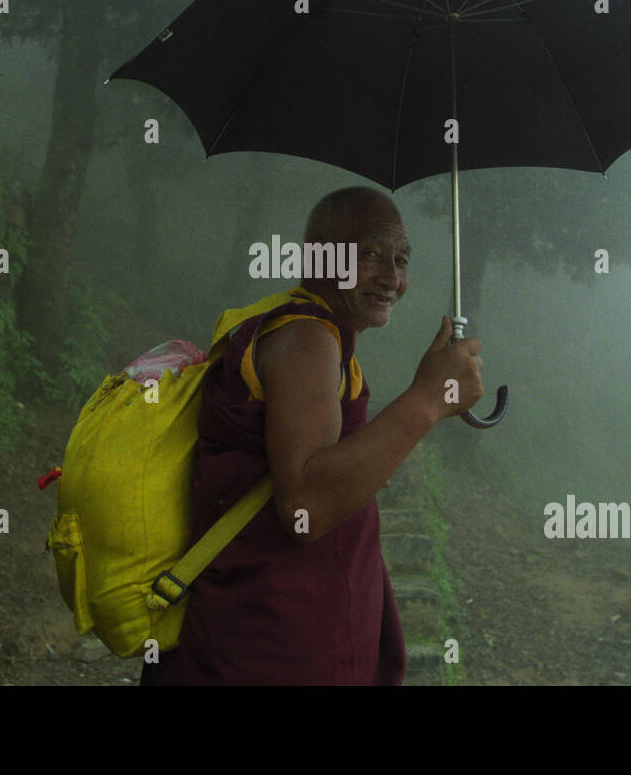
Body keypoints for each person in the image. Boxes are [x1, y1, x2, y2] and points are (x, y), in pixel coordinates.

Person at [143, 186, 484, 685]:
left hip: (276, 637)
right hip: (269, 650)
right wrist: (429, 400)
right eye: (370, 254)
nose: (392, 277)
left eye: (401, 258)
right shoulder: (306, 337)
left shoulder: (320, 338)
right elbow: (305, 509)